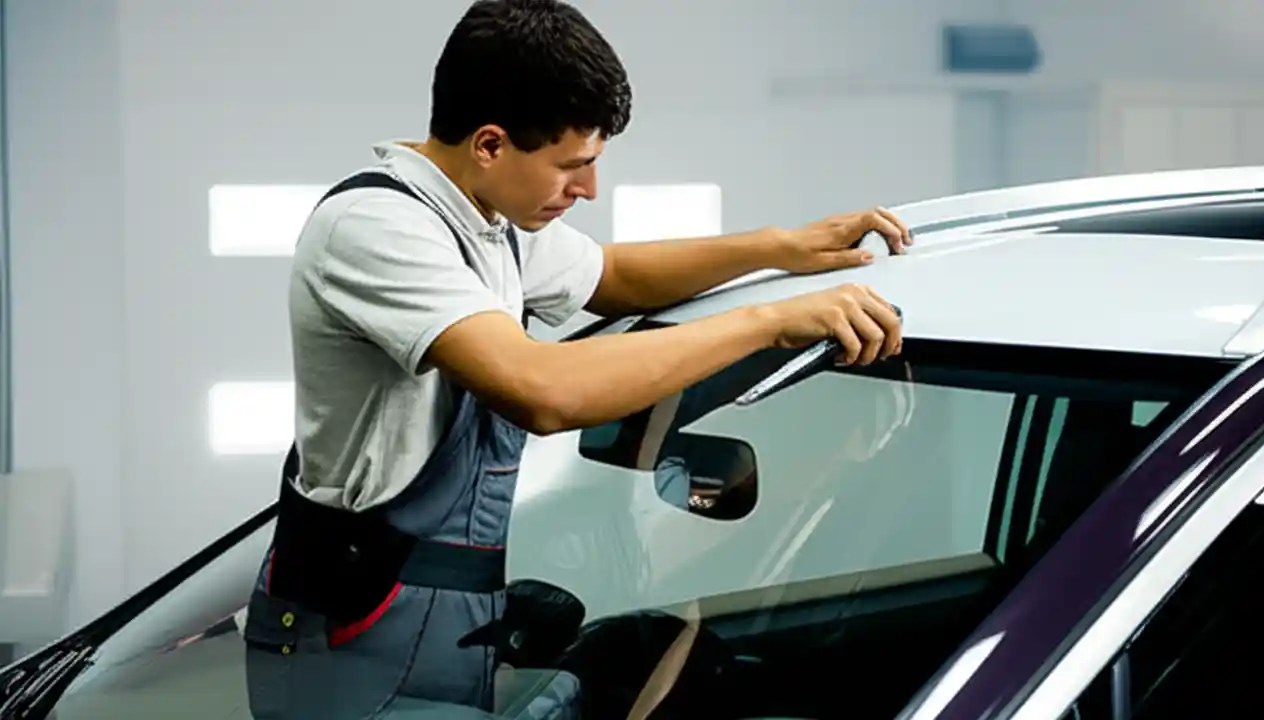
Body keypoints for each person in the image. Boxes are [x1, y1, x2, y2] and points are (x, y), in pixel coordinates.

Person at [242, 0, 911, 717]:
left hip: (448, 618)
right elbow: (541, 391)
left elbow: (611, 277)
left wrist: (776, 249)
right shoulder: (378, 229)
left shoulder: (489, 219)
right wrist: (769, 322)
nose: (588, 190)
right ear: (491, 145)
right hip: (354, 637)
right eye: (573, 166)